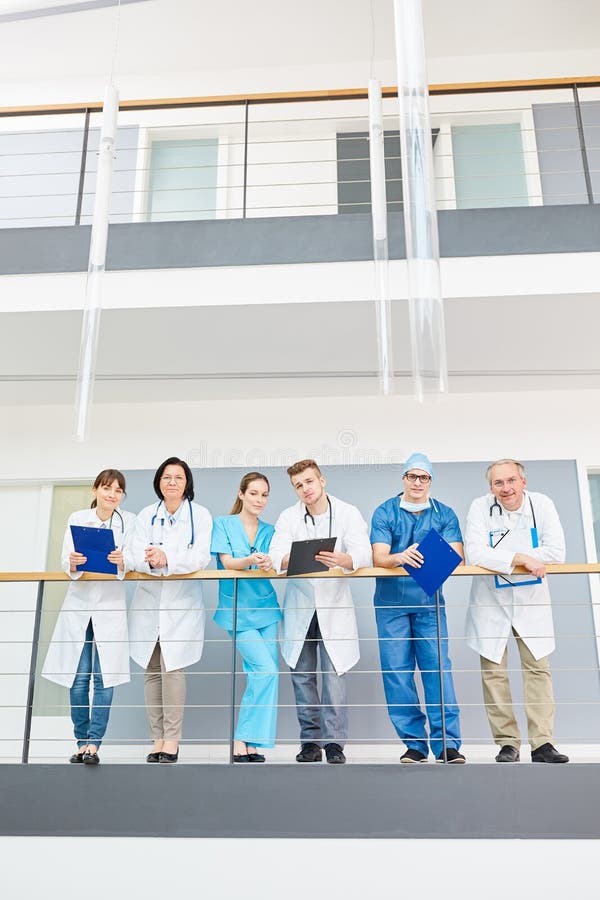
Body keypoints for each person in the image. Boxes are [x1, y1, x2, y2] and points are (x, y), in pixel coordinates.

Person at [465, 458, 568, 763]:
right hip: (490, 601)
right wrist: (525, 557)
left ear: (523, 481)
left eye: (511, 481)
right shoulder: (479, 507)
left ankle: (542, 743)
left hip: (530, 601)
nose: (506, 488)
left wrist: (503, 558)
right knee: (493, 674)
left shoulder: (542, 504)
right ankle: (507, 743)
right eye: (498, 483)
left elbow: (556, 552)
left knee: (538, 670)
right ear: (490, 487)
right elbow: (475, 552)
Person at [269, 459, 371, 764]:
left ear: (322, 481)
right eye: (298, 485)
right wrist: (296, 558)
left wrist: (343, 558)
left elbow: (364, 553)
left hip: (333, 606)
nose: (305, 489)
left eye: (309, 482)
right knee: (302, 677)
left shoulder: (348, 513)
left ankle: (335, 743)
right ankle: (311, 742)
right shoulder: (288, 517)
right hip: (301, 606)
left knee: (334, 676)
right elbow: (276, 555)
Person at [370, 452, 465, 763]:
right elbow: (379, 556)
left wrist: (430, 561)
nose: (417, 482)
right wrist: (400, 557)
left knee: (438, 671)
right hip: (391, 605)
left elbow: (458, 555)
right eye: (412, 476)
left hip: (429, 602)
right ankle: (414, 744)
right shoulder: (385, 512)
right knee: (397, 674)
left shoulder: (444, 514)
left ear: (430, 481)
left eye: (423, 477)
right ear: (403, 479)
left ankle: (447, 745)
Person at [42, 469, 135, 765]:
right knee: (79, 679)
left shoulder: (129, 522)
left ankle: (95, 744)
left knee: (105, 677)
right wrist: (72, 562)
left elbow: (132, 561)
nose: (112, 494)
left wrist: (124, 561)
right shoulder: (78, 518)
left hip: (110, 607)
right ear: (95, 490)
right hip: (80, 604)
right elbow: (66, 560)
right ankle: (81, 741)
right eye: (107, 488)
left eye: (118, 490)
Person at [128, 457, 212, 763]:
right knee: (151, 670)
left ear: (187, 483)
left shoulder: (200, 515)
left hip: (181, 603)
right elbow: (133, 553)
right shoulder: (146, 515)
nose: (172, 482)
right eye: (166, 477)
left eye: (178, 477)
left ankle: (172, 740)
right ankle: (157, 738)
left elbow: (200, 557)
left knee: (173, 668)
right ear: (159, 483)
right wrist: (150, 560)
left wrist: (168, 558)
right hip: (149, 600)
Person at [211, 472, 281, 762]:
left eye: (264, 495)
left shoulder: (271, 530)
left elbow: (277, 566)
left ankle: (253, 744)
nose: (259, 500)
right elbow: (227, 563)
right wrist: (251, 560)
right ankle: (241, 737)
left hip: (266, 609)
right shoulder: (223, 524)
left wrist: (268, 563)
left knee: (262, 676)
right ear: (241, 494)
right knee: (266, 671)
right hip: (238, 610)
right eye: (254, 493)